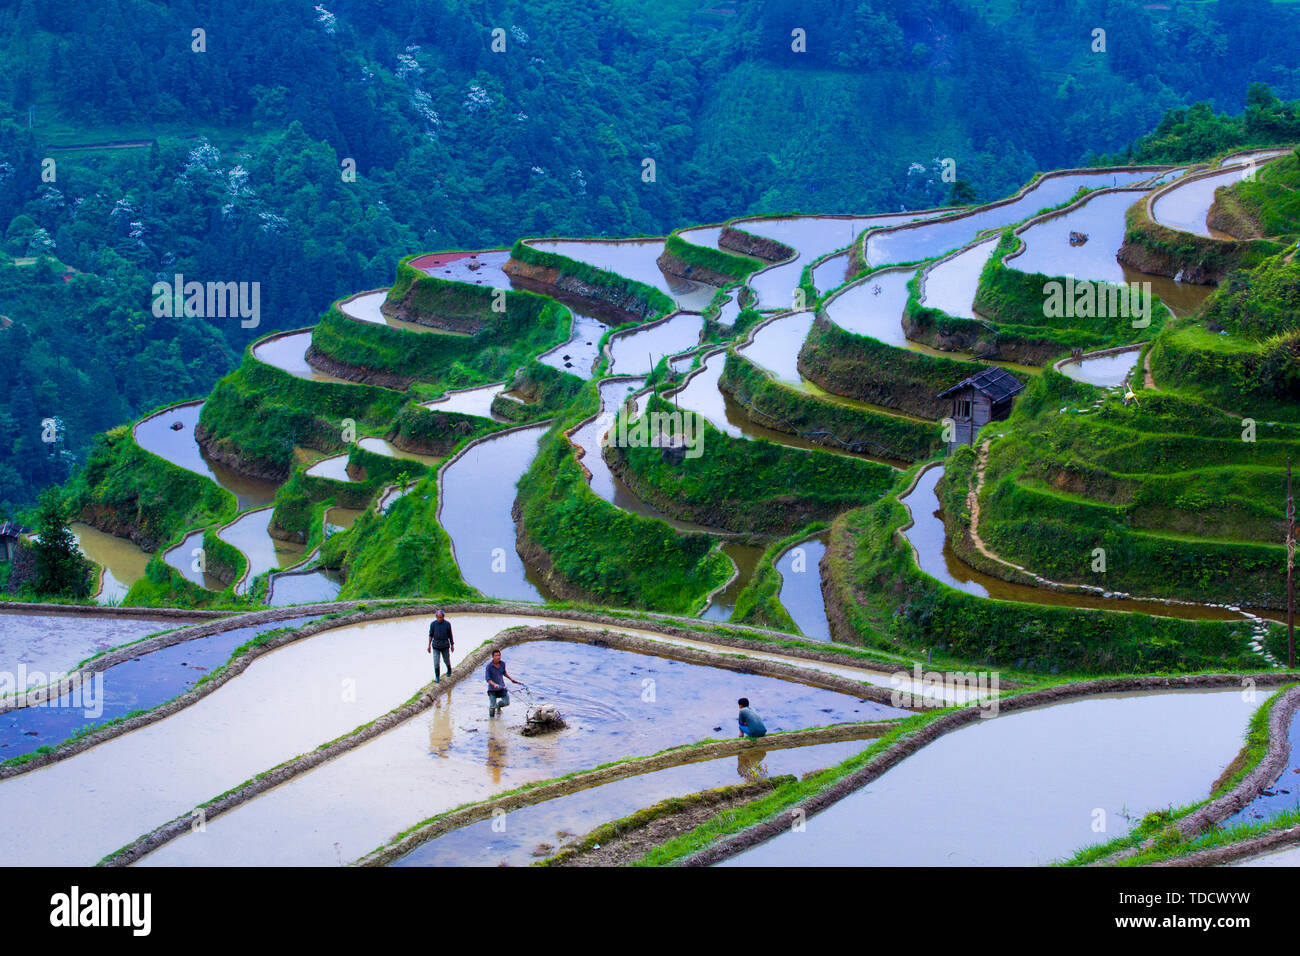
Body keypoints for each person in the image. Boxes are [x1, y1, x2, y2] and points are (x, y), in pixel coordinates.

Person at [485, 648, 522, 717]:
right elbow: (488, 679)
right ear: (493, 657)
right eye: (496, 656)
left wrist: (511, 679)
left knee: (507, 702)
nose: (498, 657)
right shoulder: (489, 667)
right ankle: (491, 722)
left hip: (501, 687)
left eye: (499, 655)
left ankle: (498, 706)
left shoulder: (502, 663)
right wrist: (494, 684)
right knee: (492, 707)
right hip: (492, 689)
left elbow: (504, 672)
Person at [427, 610, 454, 683]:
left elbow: (450, 635)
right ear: (436, 617)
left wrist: (452, 645)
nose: (439, 619)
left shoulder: (447, 624)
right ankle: (437, 676)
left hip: (445, 646)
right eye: (438, 617)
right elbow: (430, 635)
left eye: (441, 617)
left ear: (443, 617)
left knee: (446, 660)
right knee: (436, 662)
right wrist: (429, 645)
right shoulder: (433, 624)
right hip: (436, 646)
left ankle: (449, 669)